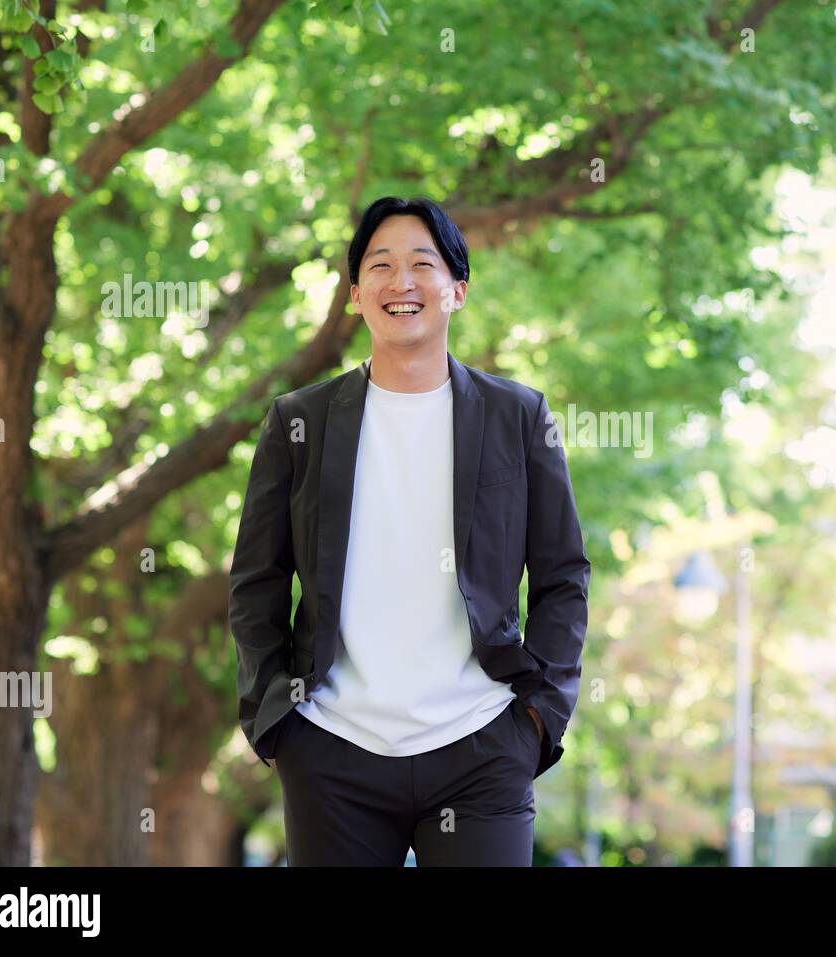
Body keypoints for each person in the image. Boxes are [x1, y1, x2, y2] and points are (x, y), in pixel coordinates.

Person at [229, 196, 590, 866]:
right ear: (356, 293)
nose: (401, 282)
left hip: (483, 744)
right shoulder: (298, 423)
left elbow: (564, 574)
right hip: (332, 749)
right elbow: (257, 581)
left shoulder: (518, 415)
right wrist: (274, 719)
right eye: (381, 265)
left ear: (457, 289)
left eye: (422, 264)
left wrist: (540, 717)